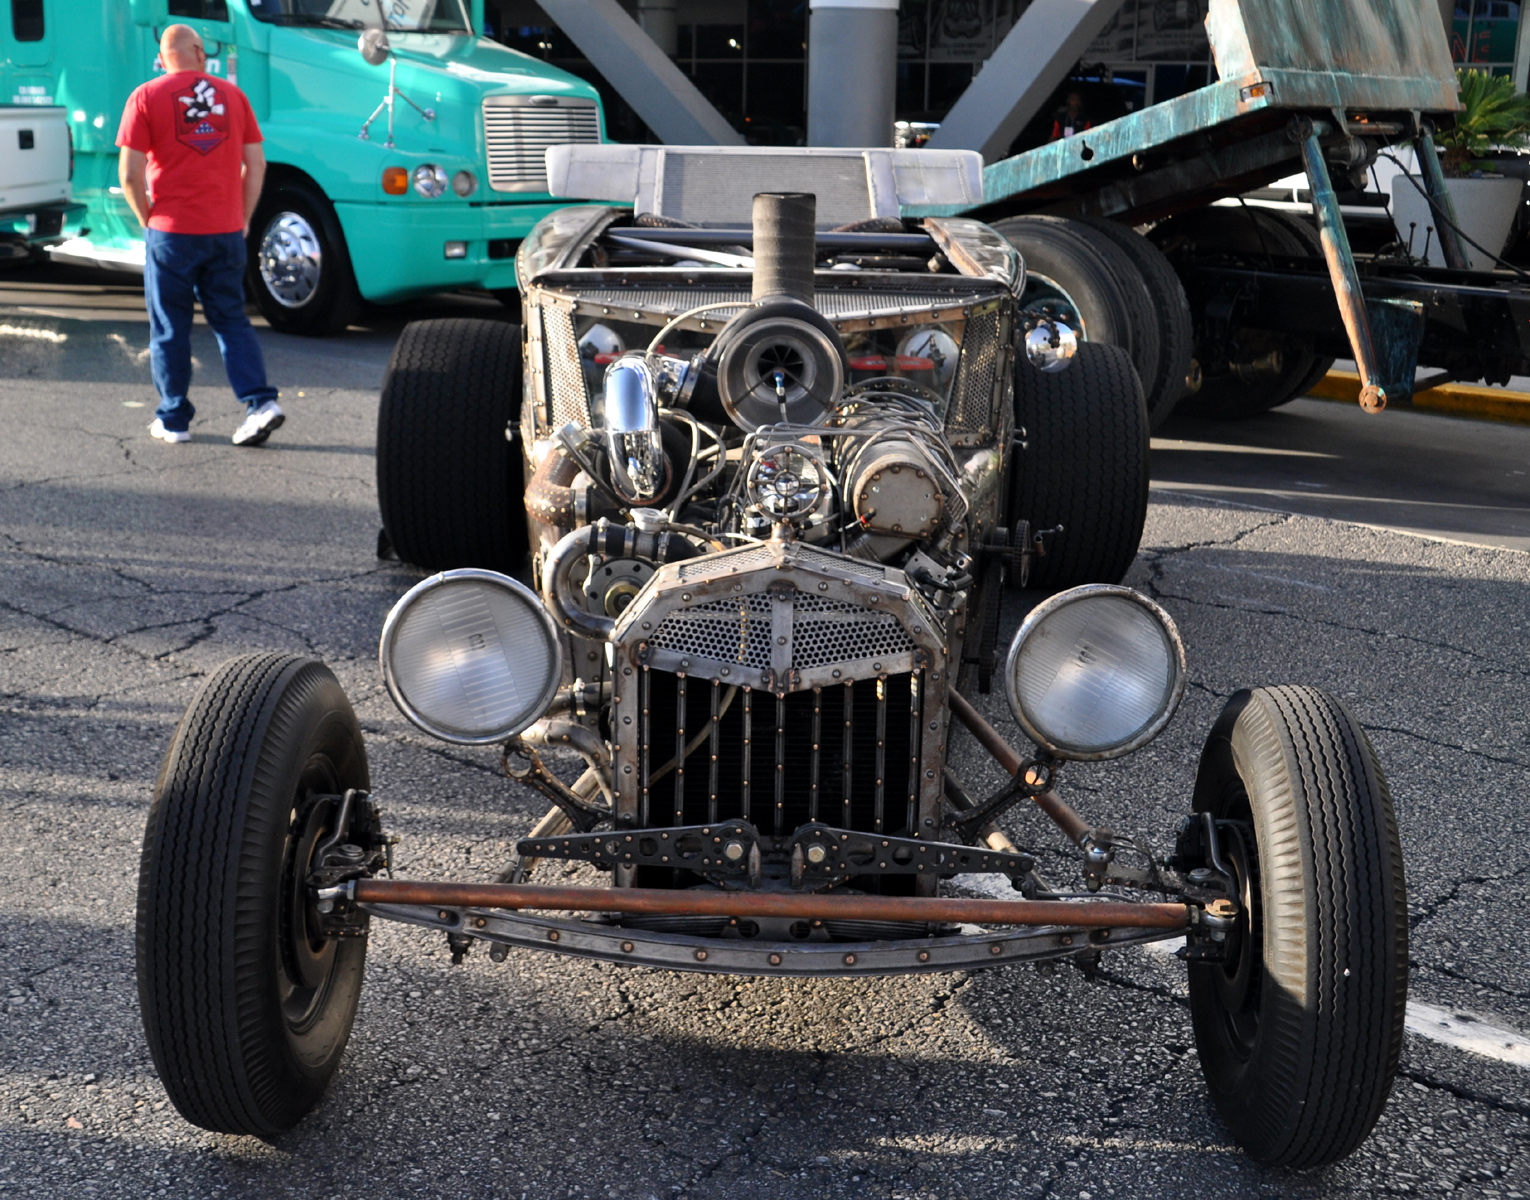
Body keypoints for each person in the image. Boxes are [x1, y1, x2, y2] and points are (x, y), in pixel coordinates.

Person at [116, 25, 285, 446]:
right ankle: (260, 403)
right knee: (230, 319)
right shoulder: (233, 95)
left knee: (170, 327)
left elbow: (130, 174)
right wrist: (242, 218)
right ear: (196, 50)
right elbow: (256, 166)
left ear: (163, 56)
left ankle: (174, 419)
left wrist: (147, 219)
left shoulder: (145, 96)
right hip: (225, 231)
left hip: (171, 232)